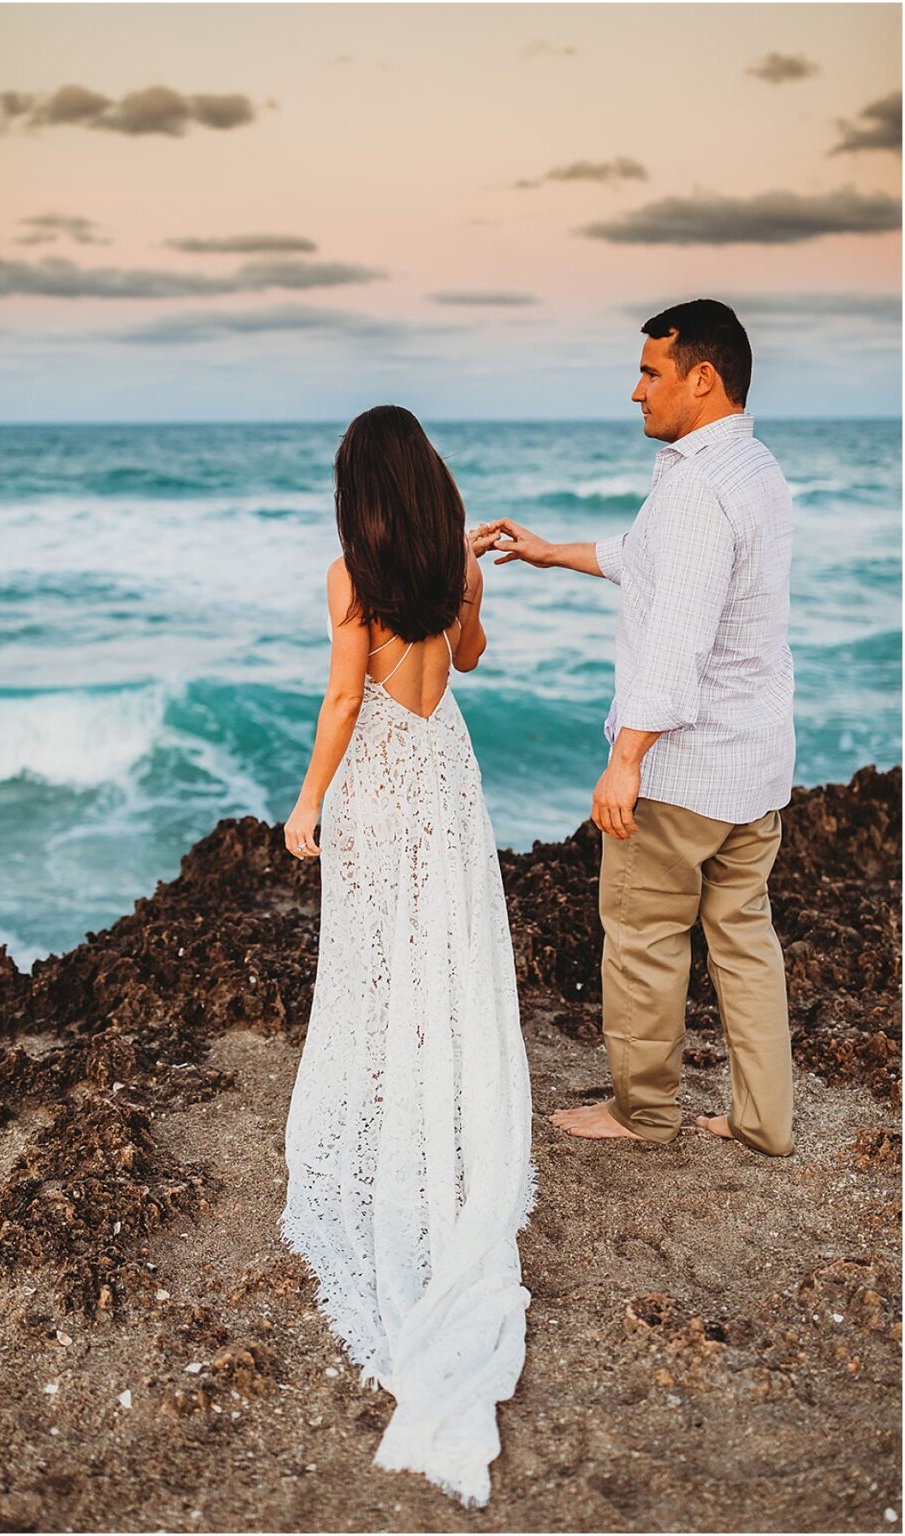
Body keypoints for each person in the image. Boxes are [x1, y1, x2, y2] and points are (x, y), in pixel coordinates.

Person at [279, 405, 536, 1508]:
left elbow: (346, 696)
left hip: (383, 782)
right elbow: (463, 663)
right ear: (427, 485)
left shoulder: (353, 573)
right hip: (446, 773)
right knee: (442, 959)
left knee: (377, 963)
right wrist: (473, 575)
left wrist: (306, 803)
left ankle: (391, 1133)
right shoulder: (446, 559)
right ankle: (445, 1122)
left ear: (358, 490)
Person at [481, 298, 796, 1157]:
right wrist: (553, 552)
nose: (634, 392)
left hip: (682, 776)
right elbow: (650, 561)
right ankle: (764, 1120)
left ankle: (643, 1113)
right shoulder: (752, 468)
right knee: (744, 942)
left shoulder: (696, 486)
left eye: (650, 373)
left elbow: (674, 644)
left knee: (644, 941)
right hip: (755, 765)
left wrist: (626, 762)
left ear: (702, 377)